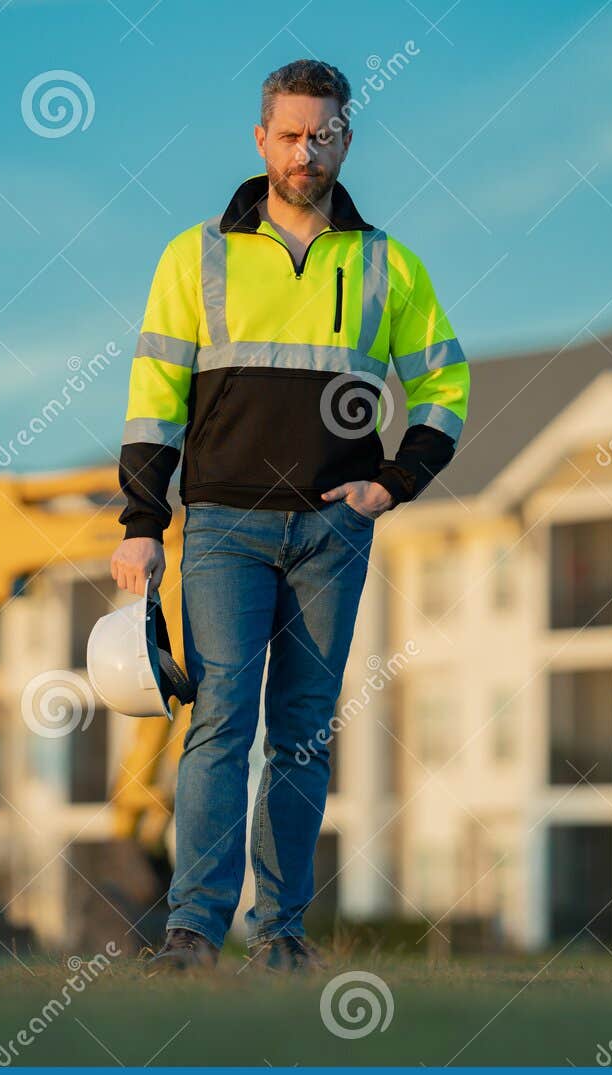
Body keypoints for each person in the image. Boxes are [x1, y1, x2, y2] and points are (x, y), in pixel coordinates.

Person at [109, 59, 471, 973]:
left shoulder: (388, 262)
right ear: (260, 139)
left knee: (303, 733)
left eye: (325, 133)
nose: (307, 150)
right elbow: (154, 391)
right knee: (222, 718)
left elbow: (444, 383)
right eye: (291, 133)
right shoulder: (195, 257)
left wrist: (393, 481)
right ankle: (193, 929)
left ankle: (280, 936)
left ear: (347, 138)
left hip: (330, 531)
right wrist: (141, 522)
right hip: (223, 524)